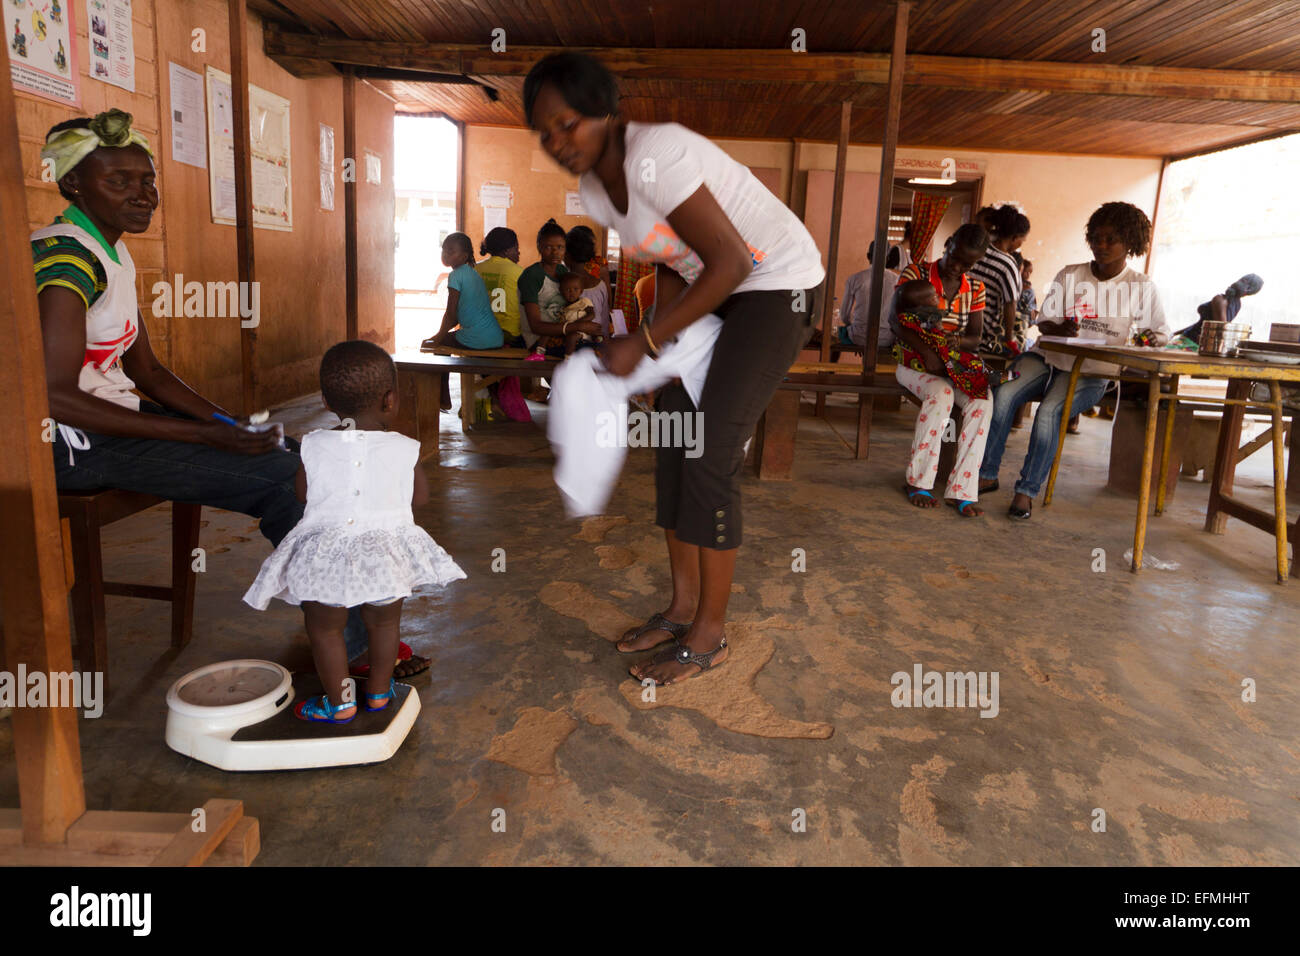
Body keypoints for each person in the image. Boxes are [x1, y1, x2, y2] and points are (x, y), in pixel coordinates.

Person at [33, 109, 430, 679]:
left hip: (105, 424)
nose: (143, 195)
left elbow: (148, 371)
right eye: (118, 181)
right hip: (68, 444)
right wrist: (199, 433)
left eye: (146, 180)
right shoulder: (66, 256)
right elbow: (54, 397)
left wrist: (228, 424)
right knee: (289, 485)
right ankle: (354, 649)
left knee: (297, 457)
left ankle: (349, 630)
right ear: (72, 182)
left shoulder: (110, 252)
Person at [525, 52, 824, 686]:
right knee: (671, 439)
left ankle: (710, 637)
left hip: (777, 285)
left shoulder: (659, 154)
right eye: (545, 131)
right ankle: (682, 608)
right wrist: (655, 339)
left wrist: (649, 341)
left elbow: (731, 262)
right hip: (716, 288)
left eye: (568, 123)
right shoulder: (595, 192)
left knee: (711, 454)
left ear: (605, 110)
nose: (558, 142)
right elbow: (668, 262)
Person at [243, 342, 466, 722]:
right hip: (386, 554)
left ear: (328, 403)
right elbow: (422, 497)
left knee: (325, 629)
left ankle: (339, 703)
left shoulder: (313, 444)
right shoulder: (403, 447)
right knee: (384, 623)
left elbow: (302, 493)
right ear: (390, 400)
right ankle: (379, 695)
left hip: (325, 553)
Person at [978, 202, 1172, 520]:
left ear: (1130, 242)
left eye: (1111, 239)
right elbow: (1044, 323)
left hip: (1093, 370)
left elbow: (1159, 334)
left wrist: (1147, 338)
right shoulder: (1071, 275)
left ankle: (1026, 492)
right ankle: (987, 473)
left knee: (1049, 413)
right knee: (1003, 393)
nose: (1101, 246)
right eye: (1096, 238)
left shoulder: (1140, 287)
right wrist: (1060, 326)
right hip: (1048, 356)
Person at [891, 280, 994, 516]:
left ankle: (962, 489)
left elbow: (972, 338)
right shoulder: (911, 296)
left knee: (982, 399)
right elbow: (894, 321)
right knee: (941, 395)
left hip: (946, 368)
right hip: (913, 367)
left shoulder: (972, 290)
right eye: (930, 297)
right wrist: (929, 352)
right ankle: (918, 481)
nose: (936, 296)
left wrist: (953, 345)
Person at [421, 231, 503, 410]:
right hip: (495, 337)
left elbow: (451, 315)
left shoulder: (456, 275)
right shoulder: (473, 274)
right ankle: (495, 398)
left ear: (464, 256)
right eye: (444, 250)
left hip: (477, 338)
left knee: (441, 346)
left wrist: (437, 337)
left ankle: (444, 399)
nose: (446, 254)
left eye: (451, 251)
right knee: (472, 355)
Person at [518, 219, 584, 357]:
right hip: (538, 340)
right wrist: (578, 327)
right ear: (539, 247)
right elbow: (535, 326)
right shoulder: (531, 276)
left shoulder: (563, 272)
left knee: (600, 349)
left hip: (561, 334)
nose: (555, 253)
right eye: (549, 247)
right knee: (587, 355)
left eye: (560, 247)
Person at [970, 204, 1029, 356]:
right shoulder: (1008, 265)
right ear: (1014, 237)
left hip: (959, 323)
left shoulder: (978, 248)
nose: (1020, 245)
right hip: (982, 337)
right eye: (1022, 240)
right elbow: (1010, 305)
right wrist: (1008, 340)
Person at [839, 241, 900, 351]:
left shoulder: (855, 279)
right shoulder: (897, 280)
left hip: (859, 337)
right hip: (887, 339)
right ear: (888, 258)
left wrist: (853, 325)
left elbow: (844, 316)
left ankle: (830, 367)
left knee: (838, 334)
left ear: (868, 256)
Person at [475, 227, 525, 346]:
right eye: (516, 248)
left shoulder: (475, 269)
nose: (518, 252)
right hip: (510, 336)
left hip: (479, 332)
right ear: (506, 251)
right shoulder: (519, 272)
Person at [563, 223, 612, 334]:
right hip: (598, 344)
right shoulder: (600, 285)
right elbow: (604, 319)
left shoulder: (564, 284)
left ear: (567, 255)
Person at [558, 271, 601, 353]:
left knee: (572, 337)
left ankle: (569, 360)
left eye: (575, 289)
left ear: (581, 291)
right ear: (561, 291)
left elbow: (592, 315)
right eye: (567, 290)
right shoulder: (563, 308)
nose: (571, 292)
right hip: (570, 331)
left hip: (583, 333)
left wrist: (577, 324)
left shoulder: (584, 301)